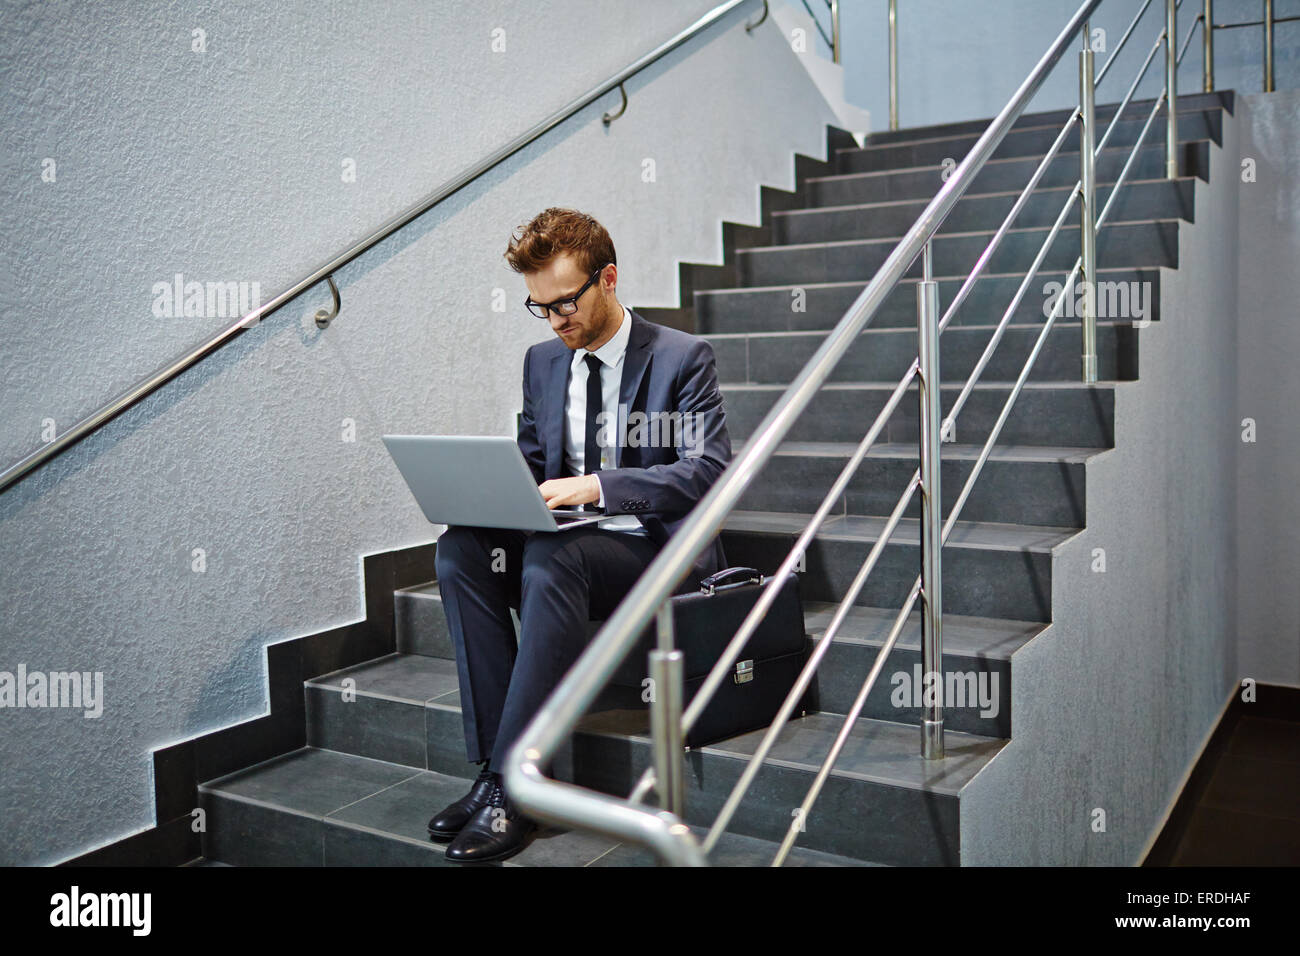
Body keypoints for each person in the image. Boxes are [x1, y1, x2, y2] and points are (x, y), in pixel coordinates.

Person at [429, 208, 732, 863]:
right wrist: (491, 492)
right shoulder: (542, 362)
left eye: (567, 300)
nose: (558, 318)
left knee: (551, 558)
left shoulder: (681, 357)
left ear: (610, 279)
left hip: (650, 547)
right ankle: (495, 773)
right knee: (459, 550)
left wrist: (596, 486)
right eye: (541, 307)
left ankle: (516, 792)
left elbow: (706, 469)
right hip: (562, 544)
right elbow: (533, 463)